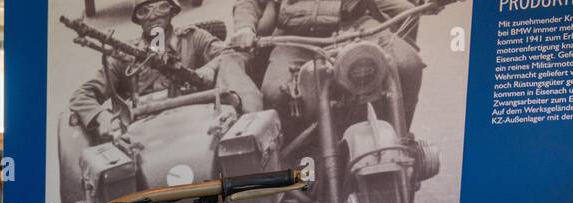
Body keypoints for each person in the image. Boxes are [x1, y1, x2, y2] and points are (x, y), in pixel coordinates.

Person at [68, 0, 263, 145]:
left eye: (160, 6)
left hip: (201, 128)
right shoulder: (123, 56)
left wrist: (209, 69)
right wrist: (101, 117)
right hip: (145, 138)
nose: (153, 16)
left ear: (172, 10)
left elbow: (231, 54)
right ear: (137, 20)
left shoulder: (193, 38)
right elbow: (82, 95)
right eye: (144, 11)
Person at [233, 0, 425, 127]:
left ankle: (400, 138)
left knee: (408, 65)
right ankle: (299, 163)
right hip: (296, 36)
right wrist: (243, 26)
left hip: (357, 27)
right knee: (274, 92)